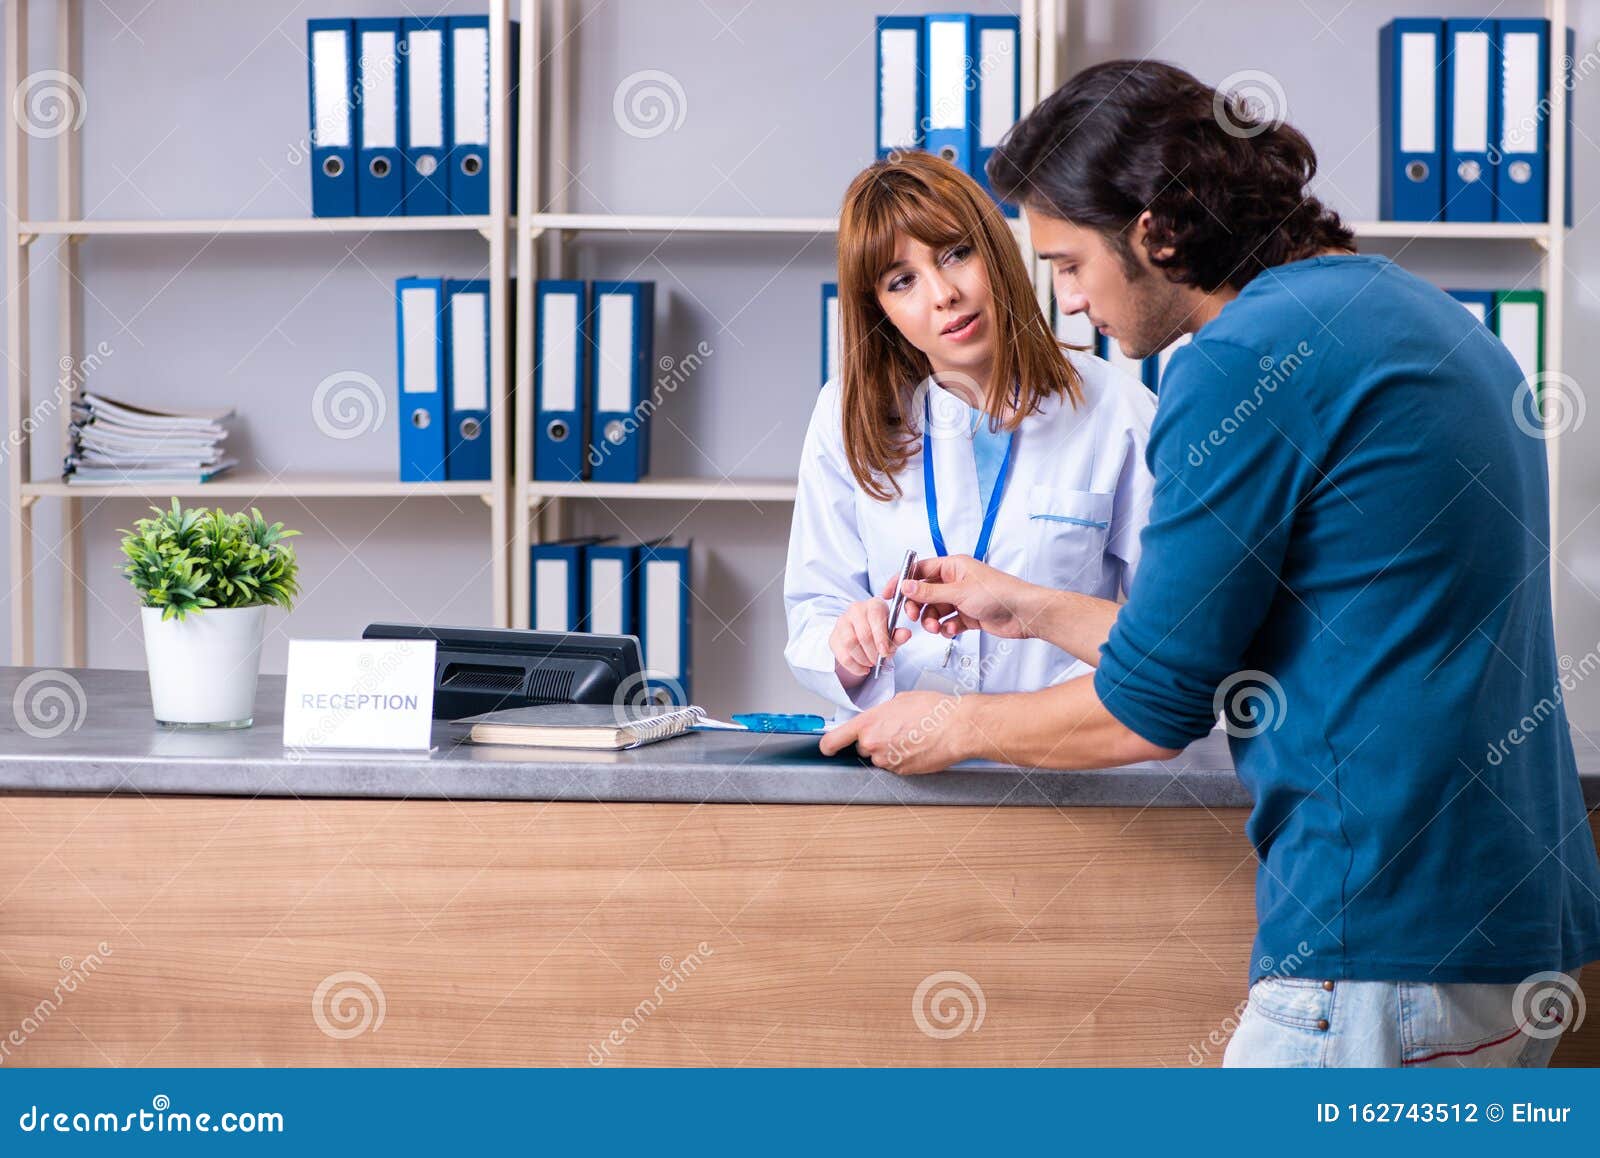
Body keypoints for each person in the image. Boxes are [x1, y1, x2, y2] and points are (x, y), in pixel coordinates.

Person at [821, 60, 1600, 1067]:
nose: (1063, 297)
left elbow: (1152, 710)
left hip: (1375, 946)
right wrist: (1031, 607)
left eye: (1065, 263)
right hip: (1508, 930)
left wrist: (947, 726)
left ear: (1155, 231)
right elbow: (1268, 645)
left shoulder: (1238, 363)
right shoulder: (1426, 317)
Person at [785, 151, 1154, 717]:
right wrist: (847, 643)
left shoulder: (1116, 408)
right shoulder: (845, 414)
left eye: (956, 254)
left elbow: (1181, 625)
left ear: (998, 252)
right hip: (905, 773)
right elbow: (816, 606)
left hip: (1064, 764)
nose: (942, 294)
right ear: (878, 309)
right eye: (902, 281)